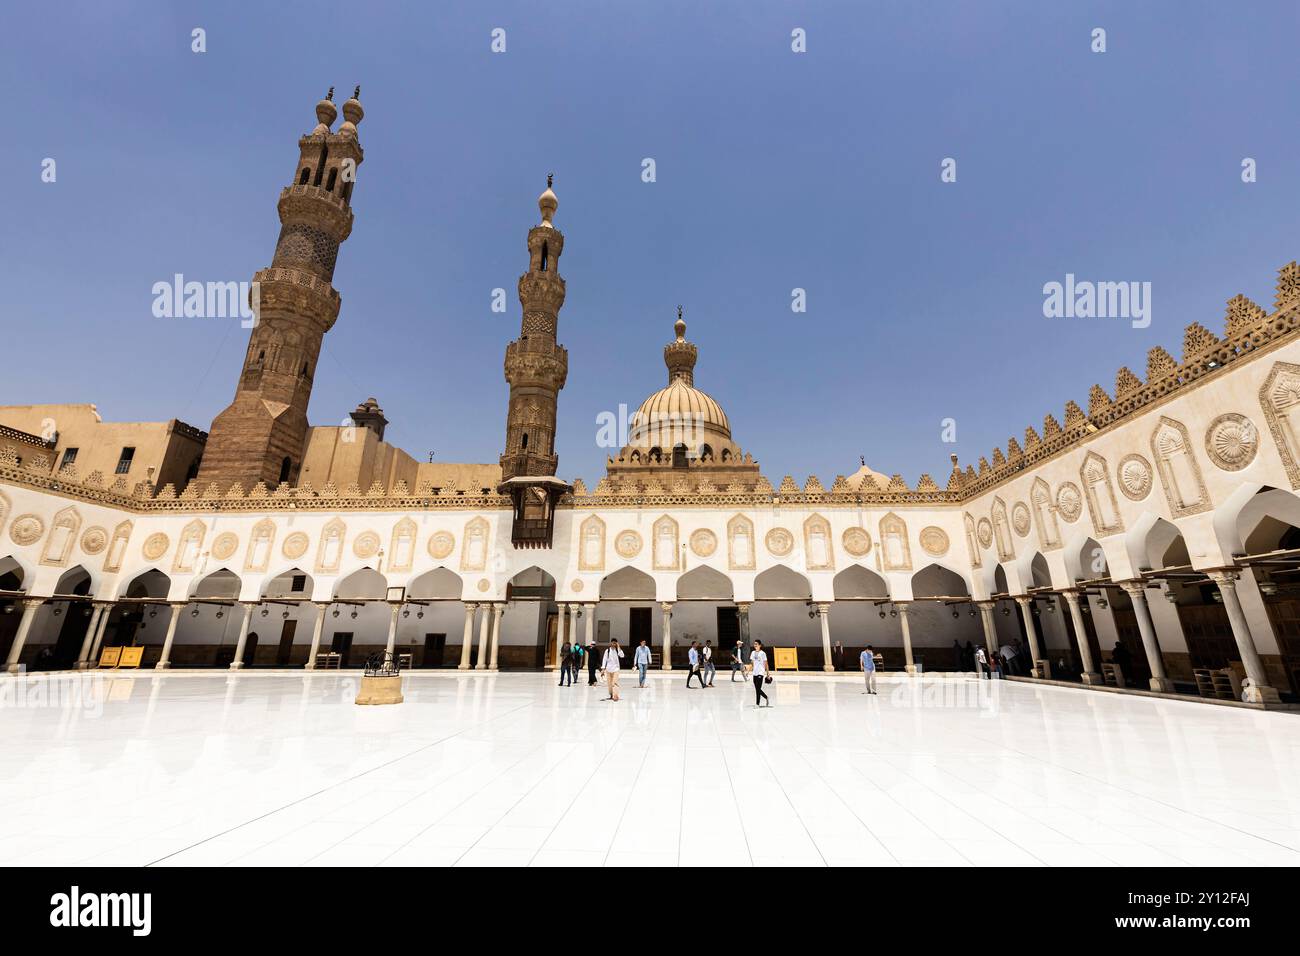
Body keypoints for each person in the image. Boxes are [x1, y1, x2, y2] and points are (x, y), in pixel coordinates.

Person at [750, 639, 771, 707]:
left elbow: (766, 664)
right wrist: (748, 671)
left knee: (758, 688)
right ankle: (766, 697)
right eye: (754, 644)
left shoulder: (763, 653)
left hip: (760, 672)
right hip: (754, 672)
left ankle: (757, 704)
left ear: (760, 645)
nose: (755, 645)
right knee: (757, 689)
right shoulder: (753, 653)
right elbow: (752, 663)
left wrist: (768, 673)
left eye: (756, 644)